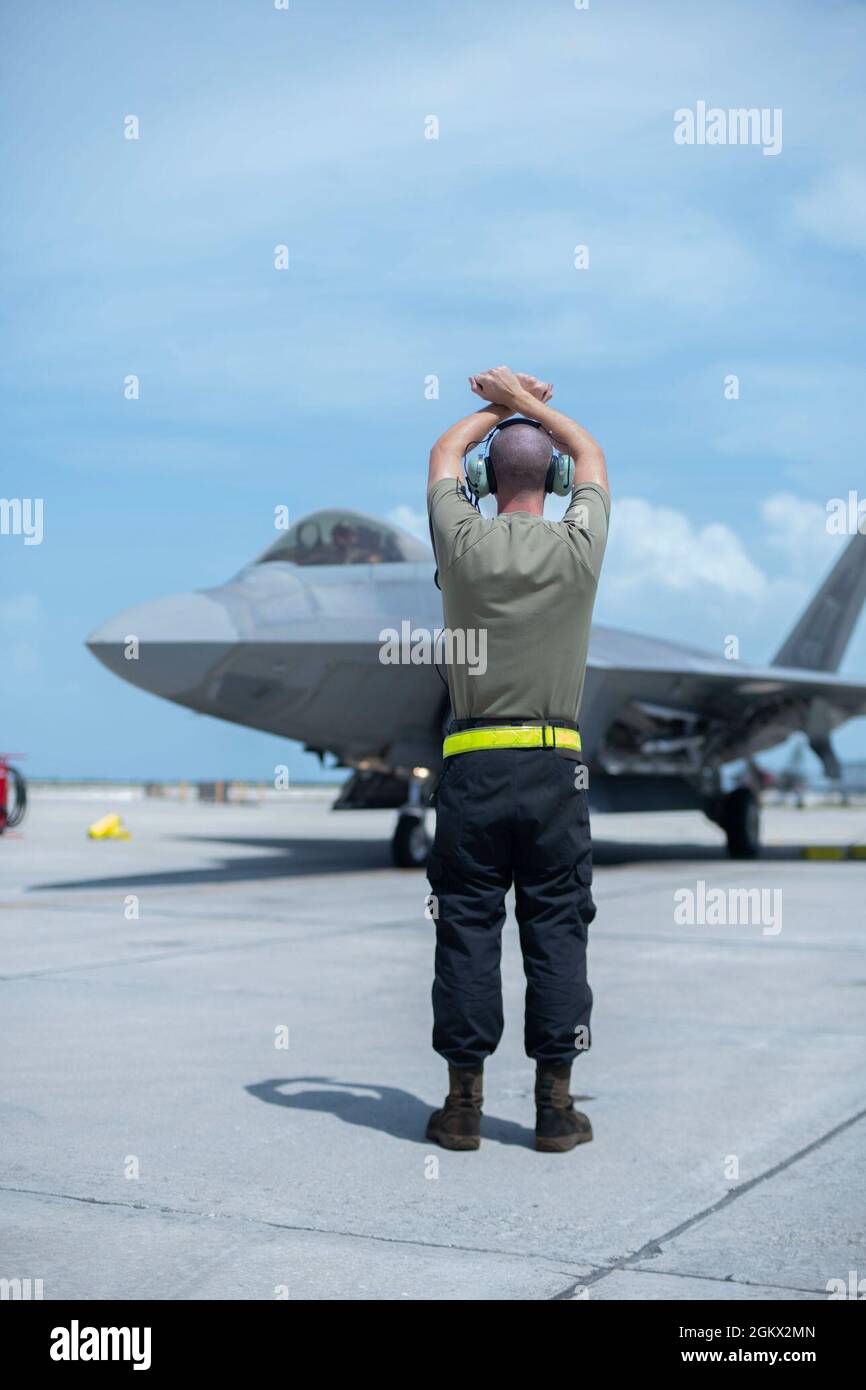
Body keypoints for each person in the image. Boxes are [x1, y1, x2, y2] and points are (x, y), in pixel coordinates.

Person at [425, 365, 610, 1153]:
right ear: (558, 480)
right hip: (556, 772)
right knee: (557, 927)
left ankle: (463, 1109)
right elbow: (593, 457)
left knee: (467, 926)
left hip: (472, 769)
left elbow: (441, 453)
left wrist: (492, 408)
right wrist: (532, 410)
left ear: (481, 479)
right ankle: (555, 1111)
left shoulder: (461, 543)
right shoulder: (579, 546)